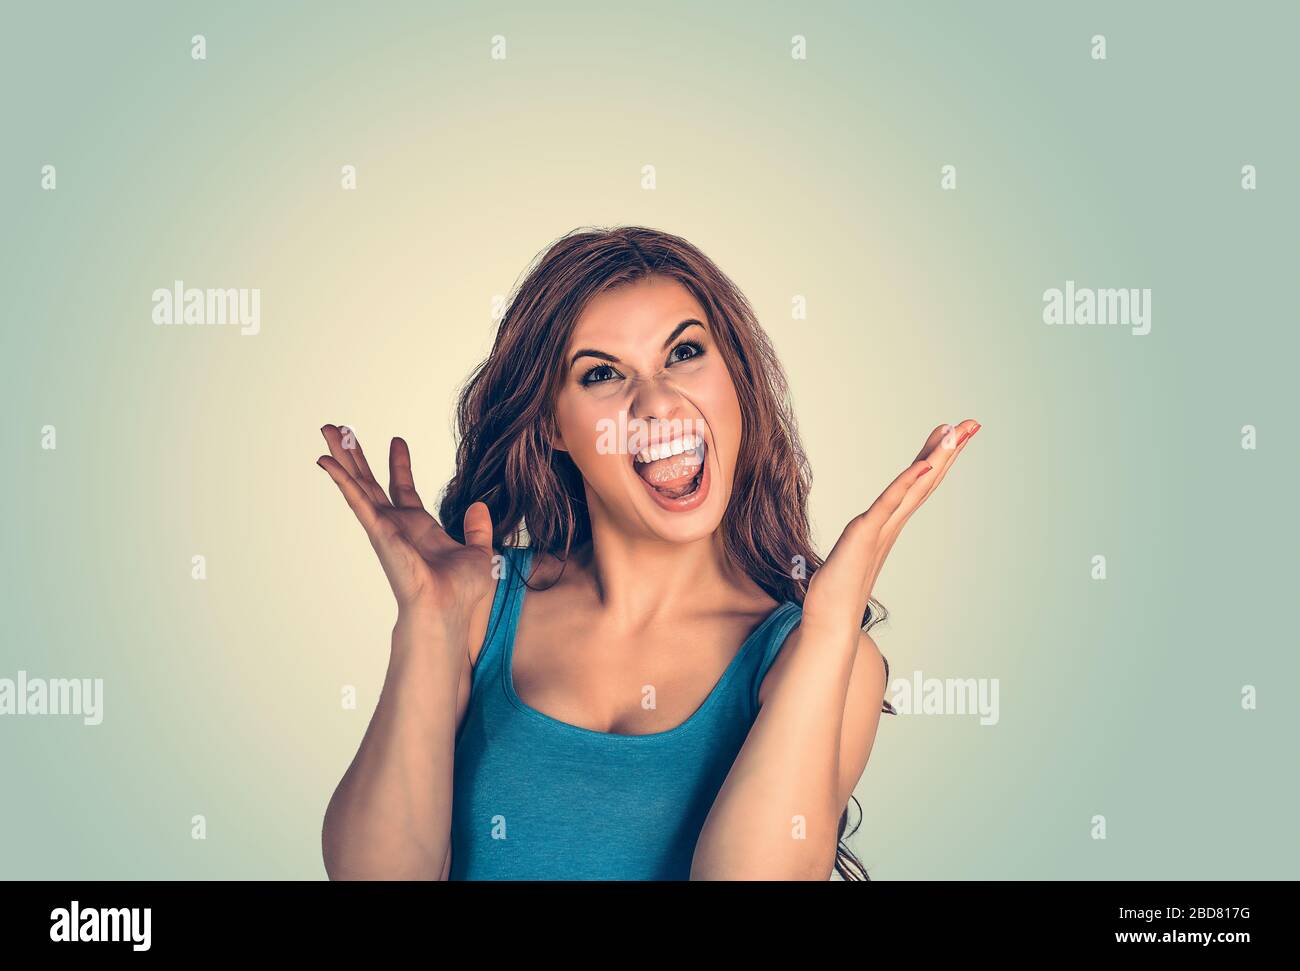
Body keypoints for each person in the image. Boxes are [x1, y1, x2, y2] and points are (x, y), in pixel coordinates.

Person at [316, 226, 979, 880]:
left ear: (736, 382)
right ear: (552, 425)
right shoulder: (477, 607)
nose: (658, 403)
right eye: (603, 373)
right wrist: (429, 623)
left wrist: (832, 627)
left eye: (684, 353)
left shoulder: (815, 655)